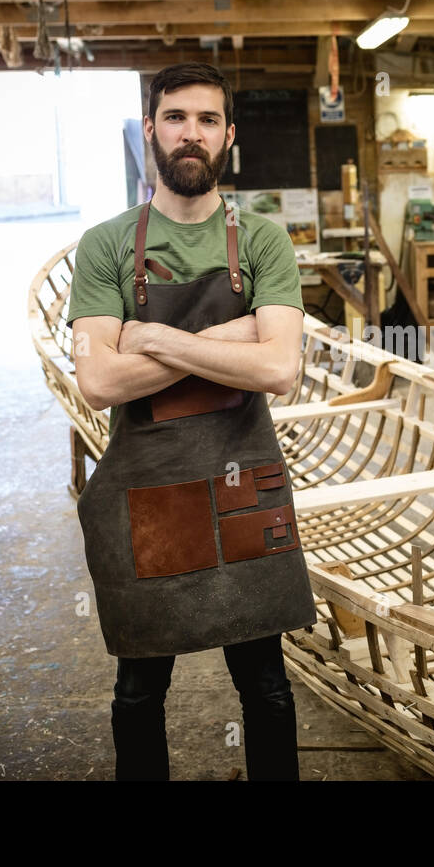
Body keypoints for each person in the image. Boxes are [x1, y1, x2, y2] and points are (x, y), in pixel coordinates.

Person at [65, 61, 316, 781]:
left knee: (264, 681)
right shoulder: (108, 245)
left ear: (228, 137)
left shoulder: (262, 240)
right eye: (176, 117)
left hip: (243, 481)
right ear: (151, 130)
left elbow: (279, 370)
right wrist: (232, 338)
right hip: (151, 489)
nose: (191, 134)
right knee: (141, 689)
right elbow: (99, 381)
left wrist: (159, 338)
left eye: (208, 120)